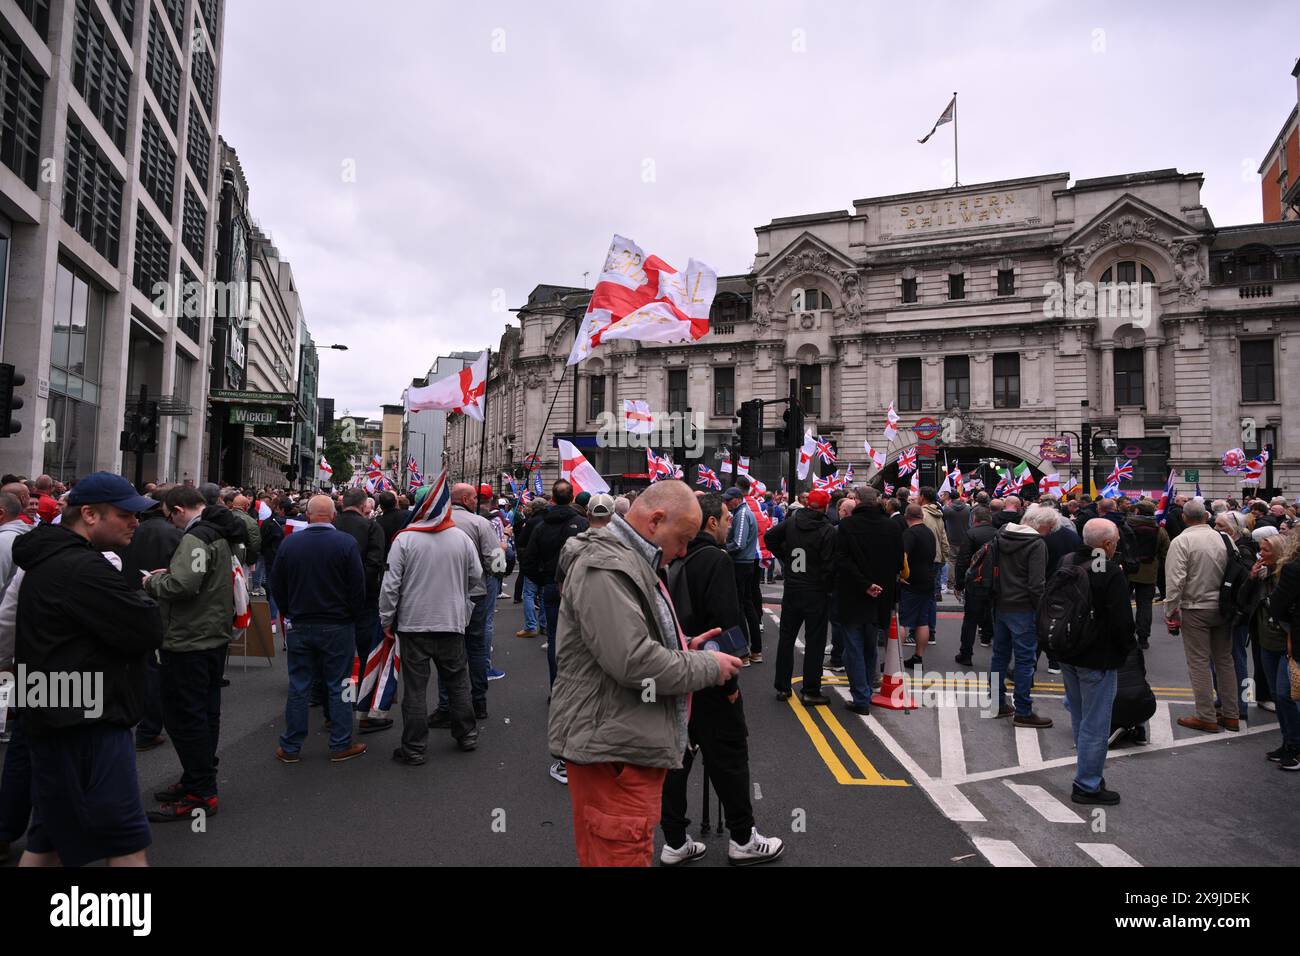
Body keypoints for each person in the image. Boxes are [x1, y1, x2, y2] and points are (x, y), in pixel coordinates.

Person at [548, 481, 742, 867]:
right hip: (613, 750)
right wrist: (707, 665)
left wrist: (682, 644)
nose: (685, 550)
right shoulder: (607, 565)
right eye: (683, 538)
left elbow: (629, 638)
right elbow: (632, 660)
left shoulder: (629, 559)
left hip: (620, 740)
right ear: (655, 520)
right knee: (621, 853)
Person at [12, 473, 163, 866]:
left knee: (47, 838)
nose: (135, 522)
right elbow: (146, 628)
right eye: (126, 514)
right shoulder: (82, 568)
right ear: (90, 515)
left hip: (54, 707)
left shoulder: (49, 559)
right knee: (125, 840)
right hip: (87, 718)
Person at [660, 492, 784, 865]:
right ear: (711, 522)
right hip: (710, 674)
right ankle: (743, 838)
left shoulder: (670, 557)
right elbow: (726, 625)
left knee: (677, 759)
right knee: (729, 756)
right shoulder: (715, 559)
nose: (730, 525)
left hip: (675, 669)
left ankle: (675, 841)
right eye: (727, 519)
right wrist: (730, 684)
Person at [384, 486, 483, 761]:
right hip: (450, 620)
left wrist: (386, 618)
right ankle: (467, 734)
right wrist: (457, 593)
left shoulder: (404, 540)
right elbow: (476, 576)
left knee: (415, 689)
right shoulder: (461, 538)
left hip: (414, 623)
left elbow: (390, 586)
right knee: (457, 681)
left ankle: (414, 748)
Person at [270, 495, 368, 762]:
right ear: (333, 515)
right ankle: (341, 743)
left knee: (300, 685)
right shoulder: (346, 543)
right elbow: (357, 588)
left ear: (309, 515)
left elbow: (276, 584)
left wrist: (289, 611)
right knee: (341, 683)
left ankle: (291, 746)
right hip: (338, 625)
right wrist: (354, 617)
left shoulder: (290, 543)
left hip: (301, 623)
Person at [1058, 519, 1136, 805]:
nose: (1116, 547)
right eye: (1115, 542)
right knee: (1096, 723)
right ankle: (1088, 784)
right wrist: (1127, 648)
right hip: (1097, 655)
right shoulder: (1110, 570)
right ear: (1106, 544)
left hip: (1068, 650)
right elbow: (1121, 619)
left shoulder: (1067, 559)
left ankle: (1086, 771)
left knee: (1081, 717)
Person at [1163, 499, 1238, 734]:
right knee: (1225, 660)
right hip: (1224, 607)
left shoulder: (1182, 540)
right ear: (1206, 516)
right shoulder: (1225, 539)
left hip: (1195, 606)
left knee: (1198, 663)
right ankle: (1231, 715)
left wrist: (1170, 610)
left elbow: (1176, 580)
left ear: (1184, 518)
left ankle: (1206, 716)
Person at [430, 483, 503, 723]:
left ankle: (446, 704)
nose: (476, 501)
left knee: (447, 650)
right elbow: (497, 563)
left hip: (443, 593)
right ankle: (478, 702)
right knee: (476, 647)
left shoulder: (436, 522)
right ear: (465, 499)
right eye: (473, 498)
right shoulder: (480, 523)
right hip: (475, 594)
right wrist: (494, 570)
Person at [119, 487, 182, 753]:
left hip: (127, 602)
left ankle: (135, 720)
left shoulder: (127, 532)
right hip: (159, 606)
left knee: (137, 666)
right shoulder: (175, 535)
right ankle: (148, 728)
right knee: (156, 669)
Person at [834, 487, 903, 713]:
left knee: (853, 647)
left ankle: (861, 696)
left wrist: (865, 584)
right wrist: (878, 584)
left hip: (854, 594)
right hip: (881, 595)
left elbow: (842, 561)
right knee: (870, 645)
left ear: (858, 501)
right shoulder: (892, 527)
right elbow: (897, 563)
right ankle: (868, 687)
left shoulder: (847, 526)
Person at [765, 488, 836, 704]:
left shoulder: (793, 522)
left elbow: (770, 537)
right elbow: (829, 566)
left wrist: (786, 557)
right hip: (815, 590)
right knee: (815, 641)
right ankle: (810, 690)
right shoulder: (827, 529)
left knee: (786, 638)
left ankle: (783, 687)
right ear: (825, 506)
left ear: (807, 504)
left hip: (793, 587)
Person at [334, 488, 392, 733]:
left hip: (334, 601)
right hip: (364, 601)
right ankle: (362, 708)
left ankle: (337, 709)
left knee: (341, 660)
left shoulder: (331, 525)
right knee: (366, 656)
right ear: (362, 505)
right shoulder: (371, 528)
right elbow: (374, 564)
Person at [521, 480, 588, 687]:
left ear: (554, 496)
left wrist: (544, 581)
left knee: (554, 637)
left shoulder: (541, 526)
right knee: (580, 639)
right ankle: (575, 688)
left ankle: (557, 686)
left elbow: (528, 560)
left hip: (551, 586)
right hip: (577, 588)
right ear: (571, 498)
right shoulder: (583, 524)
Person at [991, 508, 1051, 727]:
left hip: (1000, 603)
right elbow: (1037, 584)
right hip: (1024, 607)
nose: (1050, 532)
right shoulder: (1036, 544)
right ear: (1041, 525)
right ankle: (1023, 711)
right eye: (1050, 527)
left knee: (999, 656)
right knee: (1025, 661)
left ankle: (996, 703)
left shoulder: (1001, 535)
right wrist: (1042, 609)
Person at [1255, 534, 1300, 769]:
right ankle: (1289, 741)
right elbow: (1247, 601)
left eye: (1266, 549)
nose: (1261, 553)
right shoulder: (1262, 574)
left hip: (1287, 639)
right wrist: (1252, 579)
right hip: (1267, 639)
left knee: (1287, 694)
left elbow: (1280, 606)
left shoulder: (1289, 571)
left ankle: (1295, 746)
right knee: (1279, 695)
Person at [723, 487, 763, 664]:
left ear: (738, 499)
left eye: (729, 500)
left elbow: (738, 543)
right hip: (747, 563)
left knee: (740, 608)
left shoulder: (741, 514)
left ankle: (744, 652)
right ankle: (756, 650)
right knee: (748, 607)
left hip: (741, 564)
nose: (726, 503)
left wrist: (723, 549)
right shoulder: (743, 512)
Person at [954, 505, 996, 665]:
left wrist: (959, 584)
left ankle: (966, 654)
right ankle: (992, 646)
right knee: (993, 616)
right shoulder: (998, 534)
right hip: (994, 582)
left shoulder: (971, 534)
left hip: (975, 583)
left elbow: (962, 561)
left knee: (970, 620)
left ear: (974, 519)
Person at [899, 504, 937, 670]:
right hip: (928, 580)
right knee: (922, 621)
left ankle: (896, 659)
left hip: (912, 581)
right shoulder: (929, 532)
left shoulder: (910, 533)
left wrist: (902, 575)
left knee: (901, 621)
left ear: (907, 516)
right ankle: (918, 657)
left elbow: (903, 556)